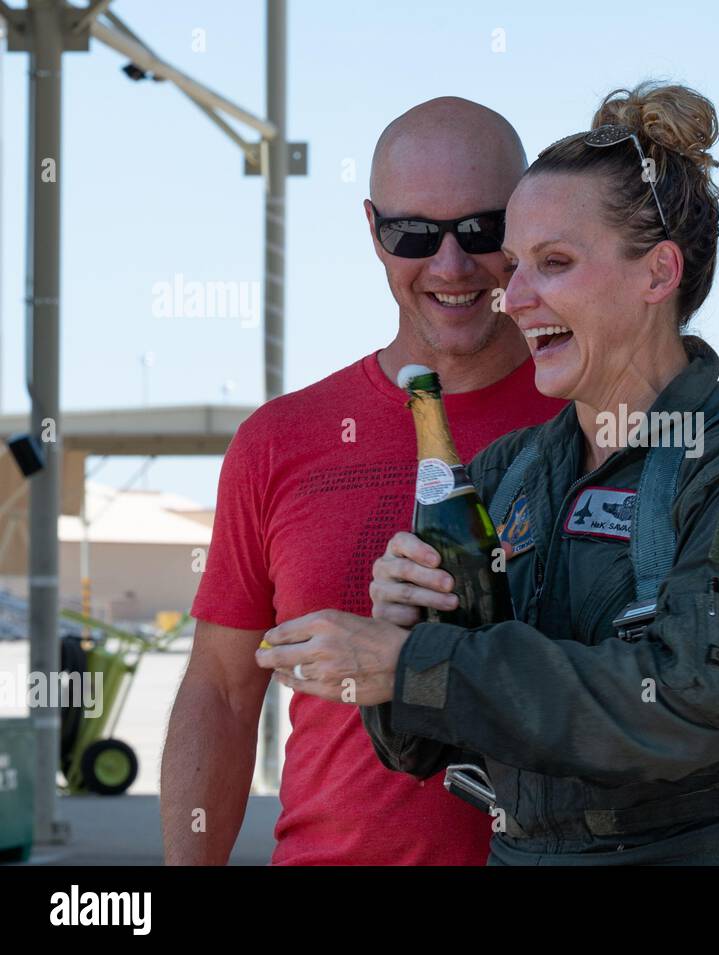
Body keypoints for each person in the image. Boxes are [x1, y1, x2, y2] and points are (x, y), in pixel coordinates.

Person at [258, 82, 719, 865]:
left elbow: (692, 700)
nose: (515, 296)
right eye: (516, 265)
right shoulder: (508, 474)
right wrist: (400, 629)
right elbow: (423, 746)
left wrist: (414, 663)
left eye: (554, 263)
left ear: (658, 273)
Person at [160, 98, 568, 865]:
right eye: (414, 233)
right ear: (373, 229)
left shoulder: (594, 423)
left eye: (481, 232)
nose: (450, 266)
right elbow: (219, 691)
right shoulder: (278, 442)